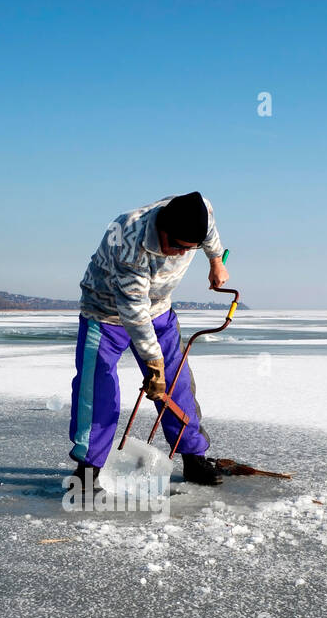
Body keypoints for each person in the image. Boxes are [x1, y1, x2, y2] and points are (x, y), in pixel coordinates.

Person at [69, 191, 229, 490]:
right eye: (178, 247)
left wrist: (215, 262)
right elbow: (134, 311)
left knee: (177, 385)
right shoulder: (128, 237)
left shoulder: (200, 211)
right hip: (105, 312)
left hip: (159, 310)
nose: (183, 255)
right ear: (163, 231)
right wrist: (153, 363)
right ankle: (88, 469)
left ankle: (193, 457)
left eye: (190, 249)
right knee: (98, 389)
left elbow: (210, 236)